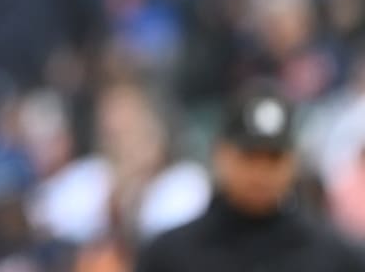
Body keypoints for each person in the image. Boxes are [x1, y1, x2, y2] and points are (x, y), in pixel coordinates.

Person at [136, 82, 365, 272]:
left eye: (273, 158)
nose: (261, 173)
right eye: (249, 156)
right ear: (220, 154)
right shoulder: (170, 255)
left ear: (293, 161)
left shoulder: (335, 257)